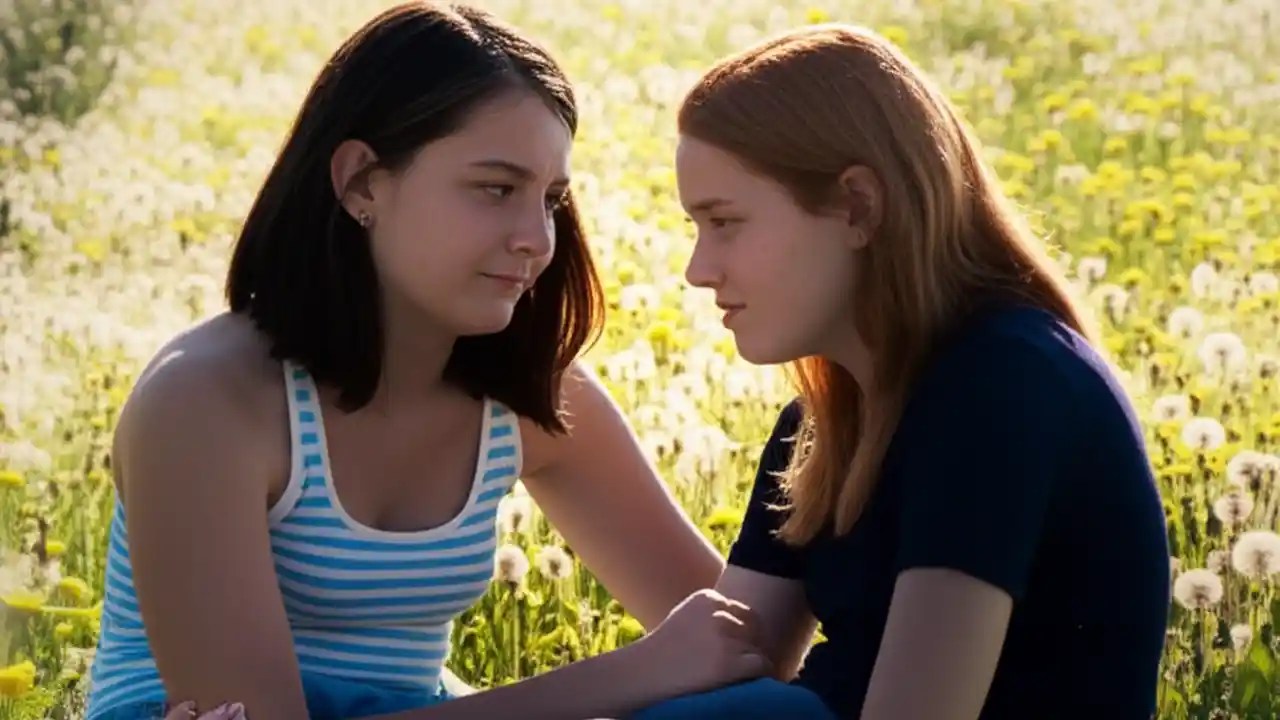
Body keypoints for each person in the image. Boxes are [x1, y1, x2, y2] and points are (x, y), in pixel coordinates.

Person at [87, 4, 771, 719]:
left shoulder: (530, 398)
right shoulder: (205, 402)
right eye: (496, 189)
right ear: (361, 183)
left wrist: (833, 460)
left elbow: (741, 648)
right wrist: (627, 676)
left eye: (551, 199)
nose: (537, 238)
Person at [630, 23, 1171, 720]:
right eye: (695, 228)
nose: (698, 270)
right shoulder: (826, 420)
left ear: (857, 206)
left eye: (725, 222)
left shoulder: (1002, 388)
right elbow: (704, 667)